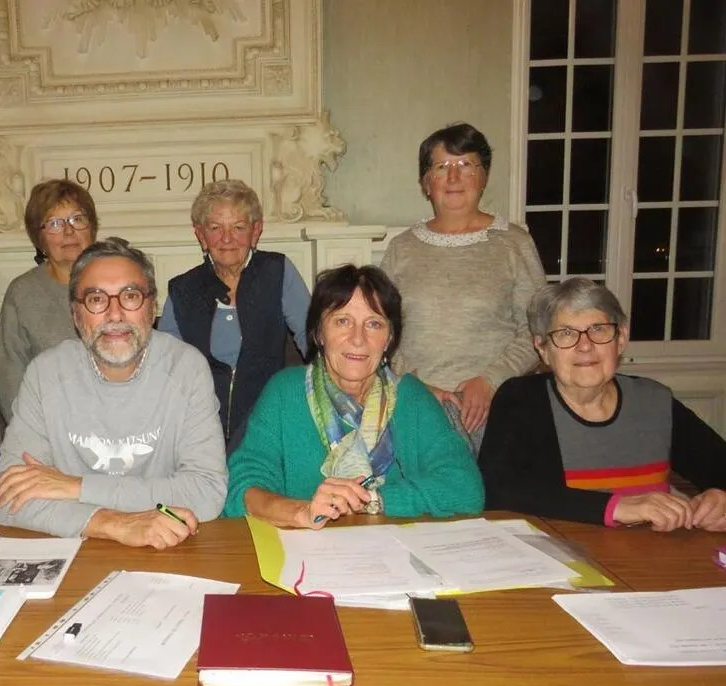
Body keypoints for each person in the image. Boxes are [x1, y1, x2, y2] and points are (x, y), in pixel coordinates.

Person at [0, 238, 227, 549]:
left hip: (167, 548)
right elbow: (5, 498)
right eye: (97, 299)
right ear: (76, 315)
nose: (115, 315)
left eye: (130, 296)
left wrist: (77, 488)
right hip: (73, 551)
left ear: (152, 307)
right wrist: (114, 524)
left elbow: (207, 494)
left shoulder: (187, 369)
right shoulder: (45, 375)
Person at [224, 264, 484, 526]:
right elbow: (242, 489)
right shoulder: (284, 393)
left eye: (373, 324)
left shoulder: (412, 398)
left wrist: (372, 500)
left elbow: (466, 489)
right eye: (342, 321)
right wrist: (301, 511)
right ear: (319, 333)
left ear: (389, 339)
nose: (358, 339)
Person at [479, 278, 726, 532]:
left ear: (621, 339)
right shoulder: (520, 399)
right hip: (562, 558)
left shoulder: (653, 401)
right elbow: (496, 489)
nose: (585, 346)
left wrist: (720, 498)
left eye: (599, 329)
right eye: (565, 333)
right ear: (542, 348)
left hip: (653, 560)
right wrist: (616, 507)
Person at [380, 123, 546, 452]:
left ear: (483, 177)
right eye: (441, 167)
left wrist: (491, 381)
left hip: (495, 402)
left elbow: (539, 328)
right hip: (416, 401)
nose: (453, 178)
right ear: (426, 183)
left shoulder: (514, 243)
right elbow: (381, 328)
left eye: (466, 165)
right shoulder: (402, 248)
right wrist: (414, 385)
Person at [159, 179, 310, 446]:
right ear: (201, 235)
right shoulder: (183, 290)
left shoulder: (277, 272)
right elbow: (164, 366)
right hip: (200, 427)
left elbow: (313, 338)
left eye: (238, 227)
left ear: (256, 232)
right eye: (215, 228)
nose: (227, 239)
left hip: (269, 424)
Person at [0, 179, 97, 430]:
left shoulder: (117, 279)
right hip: (48, 430)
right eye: (54, 224)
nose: (68, 232)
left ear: (92, 228)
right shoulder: (23, 293)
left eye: (77, 219)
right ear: (39, 238)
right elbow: (9, 379)